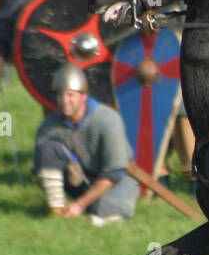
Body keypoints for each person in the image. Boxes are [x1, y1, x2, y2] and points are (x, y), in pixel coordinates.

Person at [34, 63, 137, 223]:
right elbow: (38, 169)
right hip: (79, 180)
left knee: (108, 211)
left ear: (84, 95)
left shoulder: (107, 120)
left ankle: (85, 207)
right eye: (60, 95)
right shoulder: (50, 126)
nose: (64, 101)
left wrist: (80, 205)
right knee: (48, 149)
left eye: (70, 95)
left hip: (113, 181)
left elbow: (114, 171)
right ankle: (57, 211)